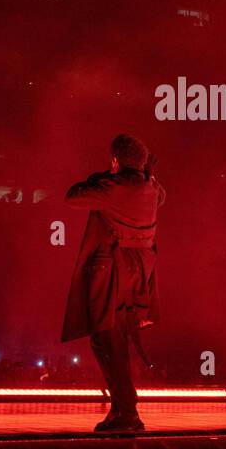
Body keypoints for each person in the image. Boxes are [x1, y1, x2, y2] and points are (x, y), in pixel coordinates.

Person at [61, 134, 165, 432]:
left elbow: (73, 196)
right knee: (112, 340)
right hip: (139, 274)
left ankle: (127, 411)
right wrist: (147, 174)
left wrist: (106, 174)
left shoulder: (110, 186)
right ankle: (122, 409)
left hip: (112, 271)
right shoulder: (152, 187)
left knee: (107, 340)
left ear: (116, 160)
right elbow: (162, 196)